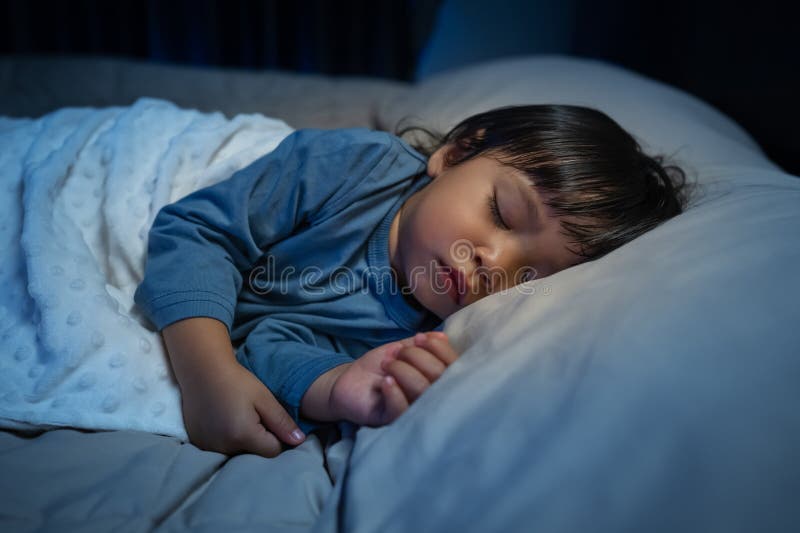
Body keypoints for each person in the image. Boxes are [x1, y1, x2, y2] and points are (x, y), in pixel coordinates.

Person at [134, 104, 687, 458]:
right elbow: (198, 231)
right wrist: (207, 375)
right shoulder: (351, 168)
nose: (493, 261)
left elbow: (273, 345)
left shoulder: (431, 329)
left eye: (531, 274)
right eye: (501, 212)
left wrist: (339, 387)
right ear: (456, 152)